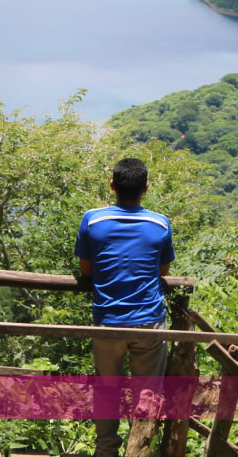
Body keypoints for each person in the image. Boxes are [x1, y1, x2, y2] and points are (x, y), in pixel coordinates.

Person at [75, 157, 174, 457]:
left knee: (106, 389)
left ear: (112, 185)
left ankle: (106, 452)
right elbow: (164, 272)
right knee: (148, 394)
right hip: (149, 322)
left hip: (108, 322)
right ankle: (139, 451)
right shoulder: (159, 223)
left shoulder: (93, 220)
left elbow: (87, 271)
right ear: (146, 188)